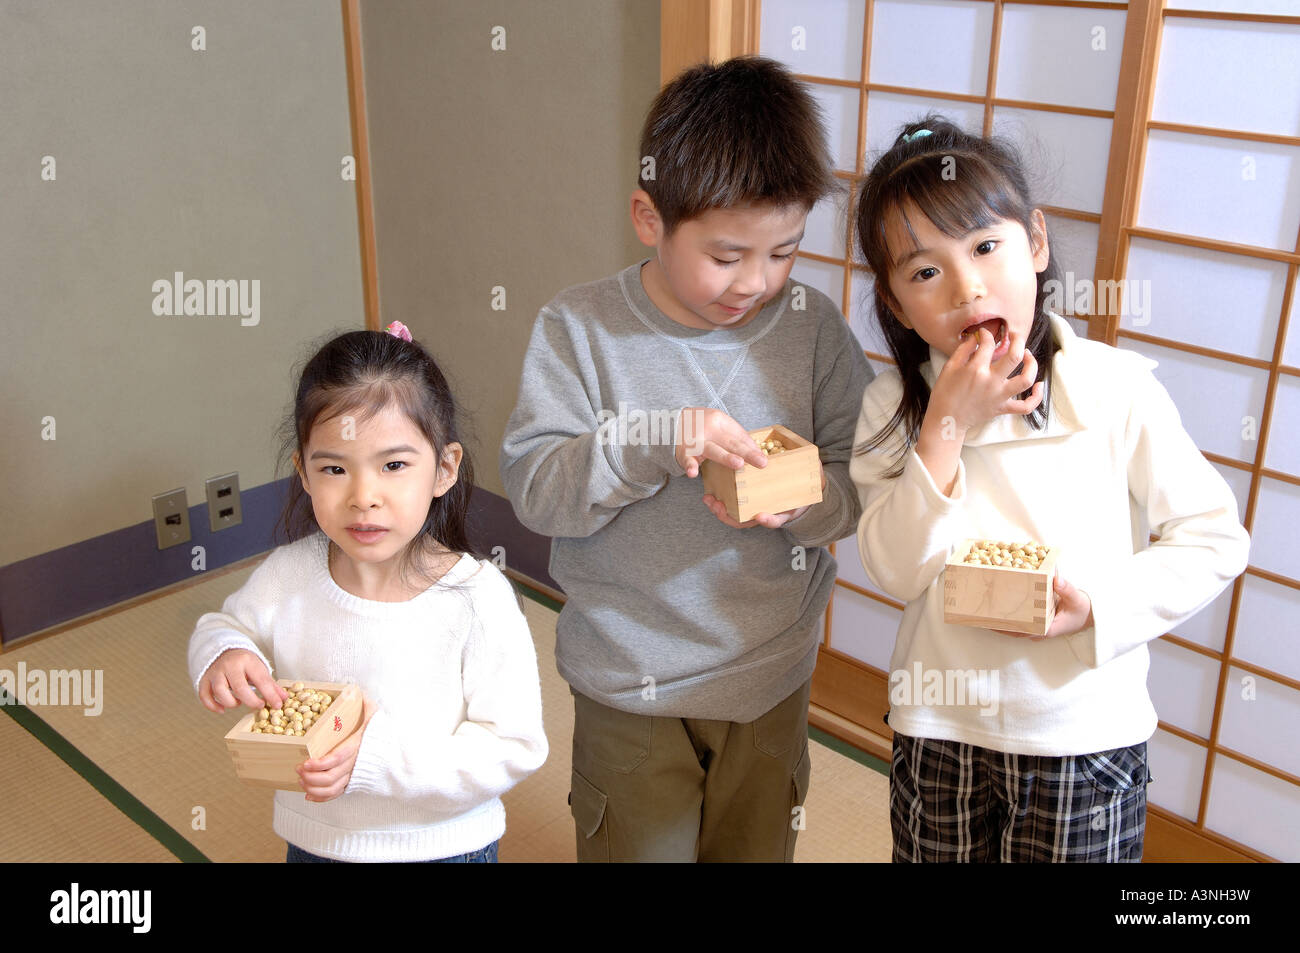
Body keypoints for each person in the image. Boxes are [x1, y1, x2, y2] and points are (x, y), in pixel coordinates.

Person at [500, 56, 873, 862]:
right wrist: (656, 440)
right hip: (629, 681)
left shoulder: (811, 328)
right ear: (648, 216)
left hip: (771, 677)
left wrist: (803, 499)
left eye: (784, 252)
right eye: (728, 254)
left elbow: (863, 476)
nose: (757, 282)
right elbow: (536, 489)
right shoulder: (580, 328)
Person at [849, 116, 1250, 862]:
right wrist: (945, 427)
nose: (967, 287)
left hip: (1082, 732)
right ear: (898, 304)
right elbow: (896, 570)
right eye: (925, 271)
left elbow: (1215, 537)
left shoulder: (1115, 388)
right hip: (941, 727)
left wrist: (1099, 608)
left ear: (1035, 242)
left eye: (985, 246)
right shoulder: (891, 408)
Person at [188, 321, 547, 863]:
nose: (363, 497)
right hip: (315, 842)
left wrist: (378, 761)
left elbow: (514, 746)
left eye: (394, 465)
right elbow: (224, 625)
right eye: (334, 468)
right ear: (304, 475)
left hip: (444, 848)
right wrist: (225, 652)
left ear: (444, 468)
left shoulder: (477, 599)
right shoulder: (288, 574)